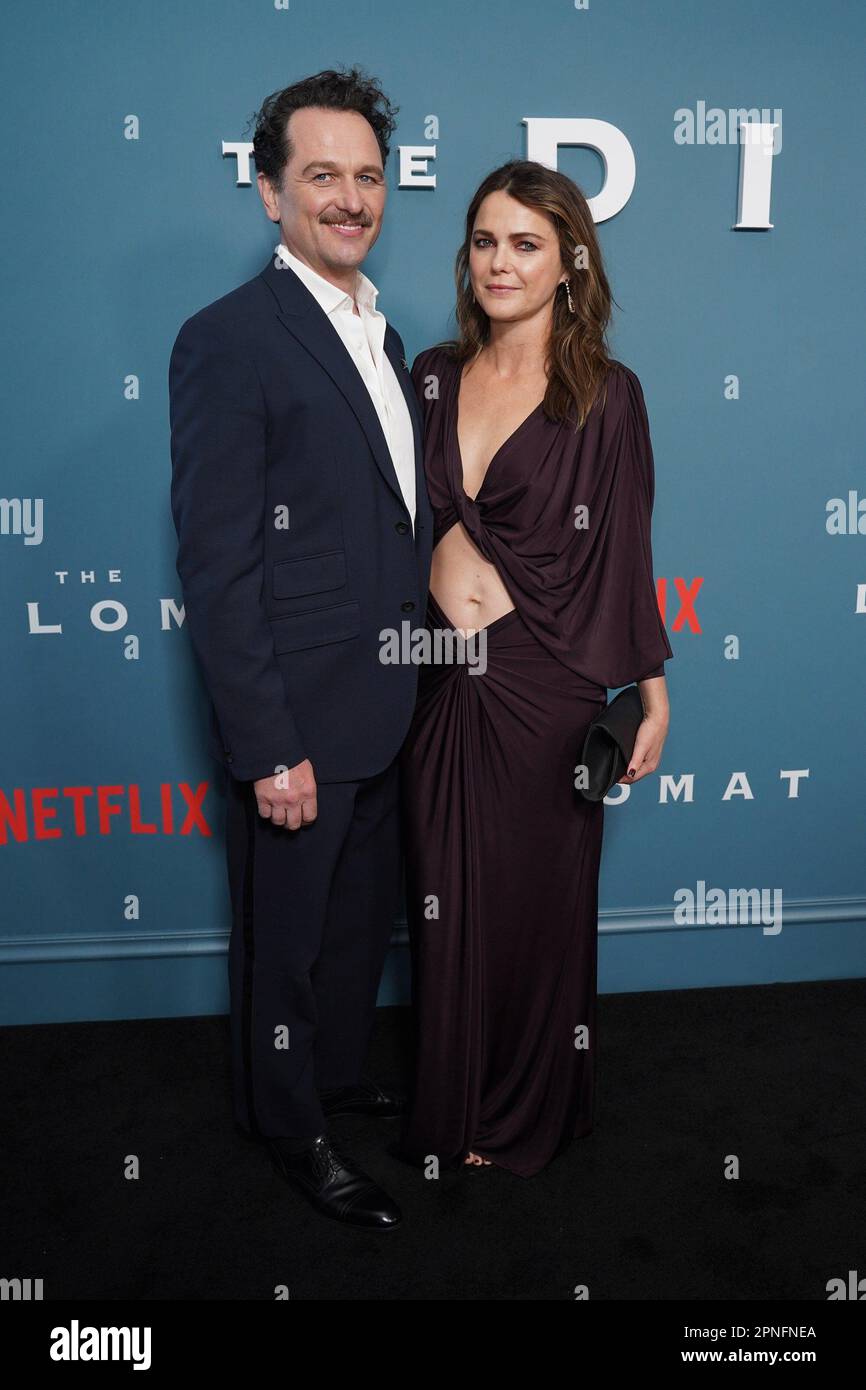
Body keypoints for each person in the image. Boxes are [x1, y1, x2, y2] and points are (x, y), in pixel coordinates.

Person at [169, 67, 433, 1227]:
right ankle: (289, 1129)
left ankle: (326, 1077)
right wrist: (266, 742)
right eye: (320, 174)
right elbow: (219, 566)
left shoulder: (389, 333)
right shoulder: (229, 340)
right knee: (282, 942)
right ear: (269, 192)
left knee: (345, 926)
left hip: (386, 703)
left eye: (366, 175)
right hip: (297, 717)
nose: (348, 197)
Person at [391, 159, 673, 1178]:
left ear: (567, 263)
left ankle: (522, 1113)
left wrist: (648, 692)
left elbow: (625, 553)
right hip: (434, 677)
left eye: (524, 243)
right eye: (482, 240)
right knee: (441, 902)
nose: (498, 262)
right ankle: (450, 1101)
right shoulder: (425, 374)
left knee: (532, 909)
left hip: (542, 680)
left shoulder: (604, 393)